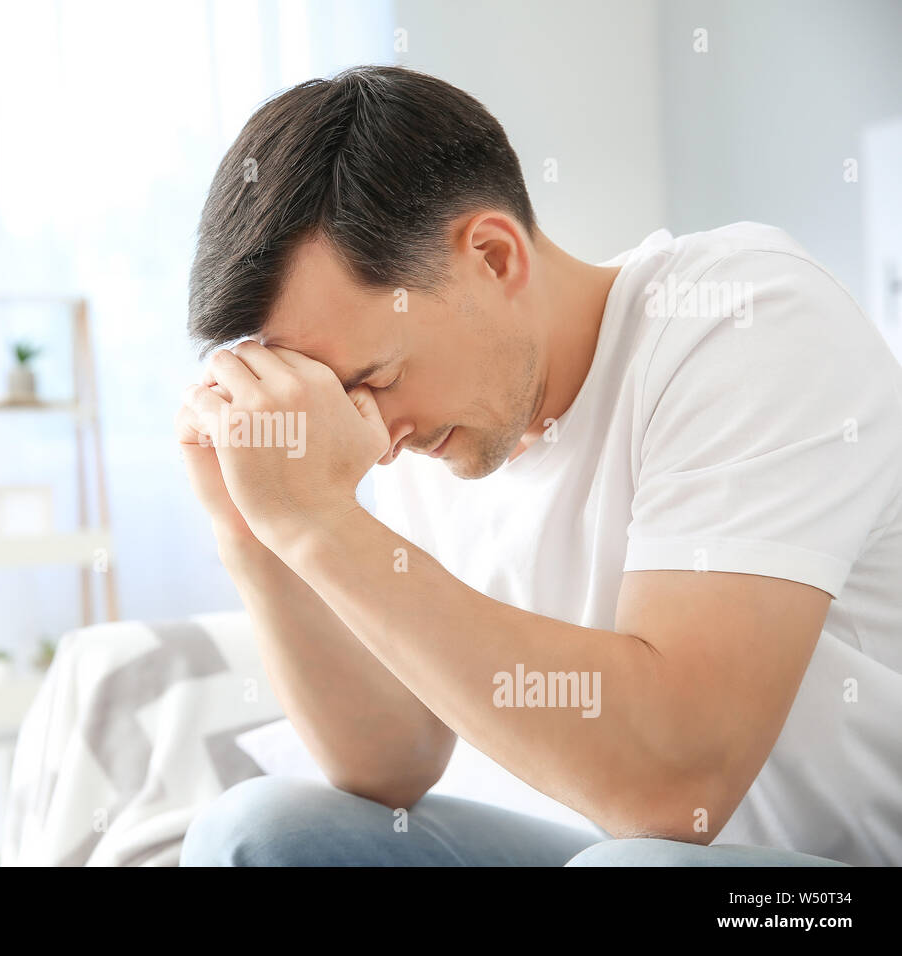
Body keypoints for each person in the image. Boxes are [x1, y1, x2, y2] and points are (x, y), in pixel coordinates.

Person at [174, 66, 902, 867]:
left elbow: (674, 789)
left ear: (493, 256)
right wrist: (252, 531)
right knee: (257, 830)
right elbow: (392, 765)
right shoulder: (430, 424)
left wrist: (319, 521)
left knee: (631, 866)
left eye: (375, 378)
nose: (374, 440)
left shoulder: (743, 322)